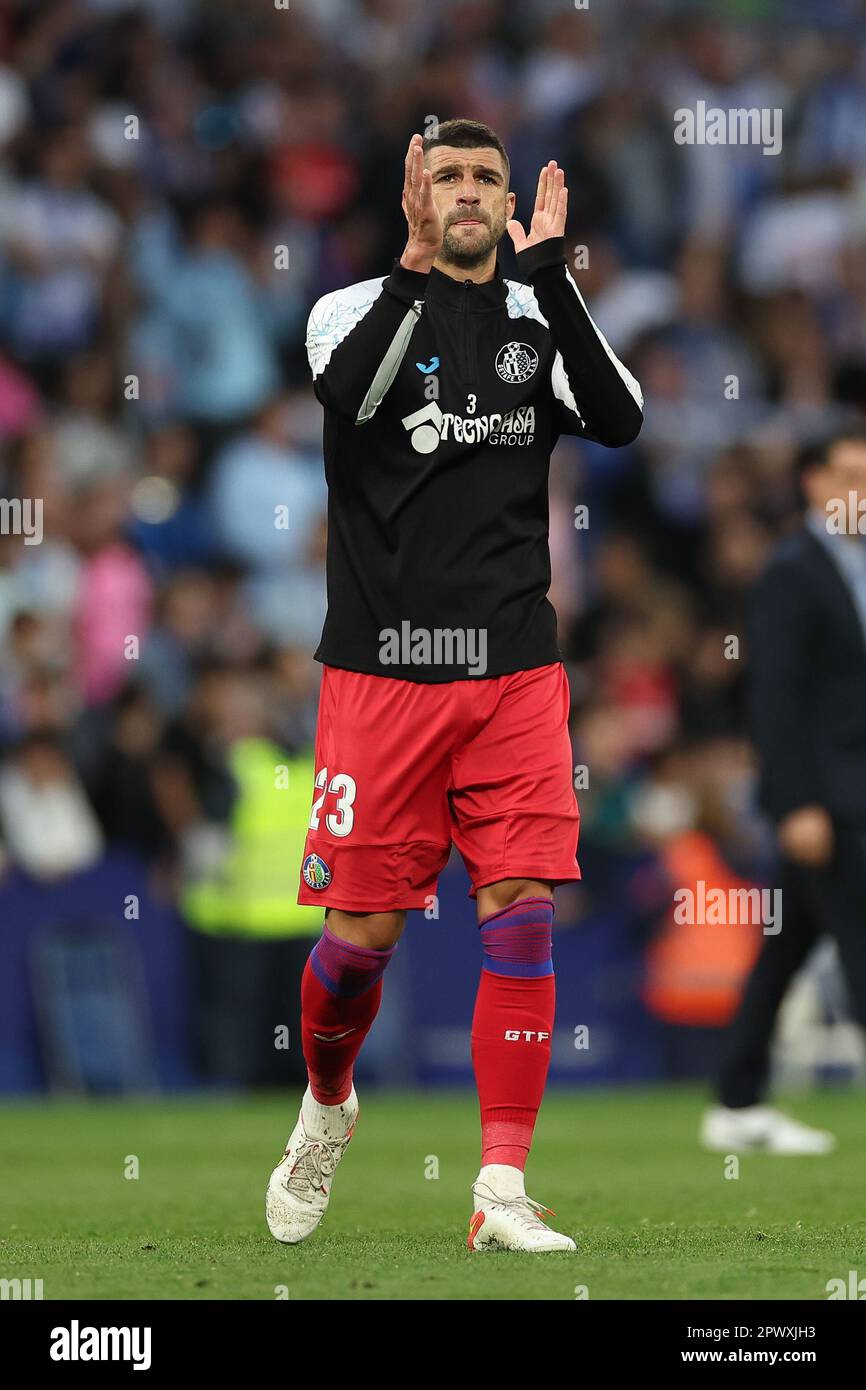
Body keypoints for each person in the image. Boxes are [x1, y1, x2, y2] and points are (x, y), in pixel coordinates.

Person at [266, 120, 643, 1252]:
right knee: (357, 946)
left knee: (522, 911)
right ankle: (328, 1103)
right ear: (412, 193)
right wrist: (420, 271)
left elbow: (618, 418)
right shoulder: (349, 309)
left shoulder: (537, 314)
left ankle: (499, 1184)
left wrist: (553, 283)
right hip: (381, 677)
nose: (469, 193)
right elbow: (356, 398)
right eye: (448, 178)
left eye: (486, 177)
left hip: (514, 672)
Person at [702, 428, 866, 1154]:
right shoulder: (792, 571)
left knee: (787, 945)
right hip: (827, 802)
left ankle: (737, 1101)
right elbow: (773, 697)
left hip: (850, 793)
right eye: (850, 476)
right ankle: (736, 1101)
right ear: (814, 483)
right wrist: (797, 801)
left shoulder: (855, 566)